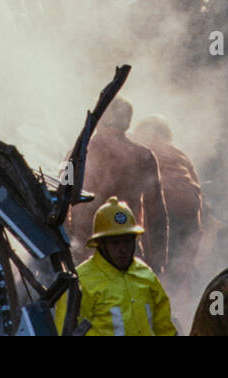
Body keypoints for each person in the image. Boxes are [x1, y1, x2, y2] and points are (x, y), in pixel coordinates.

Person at [69, 97, 169, 273]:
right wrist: (159, 261)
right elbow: (156, 214)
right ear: (128, 124)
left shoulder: (75, 155)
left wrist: (67, 252)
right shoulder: (143, 157)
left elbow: (59, 200)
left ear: (98, 121)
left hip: (84, 254)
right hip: (127, 252)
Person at [55, 197, 178, 336]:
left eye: (127, 242)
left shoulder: (145, 275)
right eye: (115, 243)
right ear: (101, 244)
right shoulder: (81, 283)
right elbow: (63, 332)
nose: (123, 249)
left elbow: (164, 329)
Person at [131, 116, 203, 277]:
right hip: (186, 218)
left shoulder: (142, 150)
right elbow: (197, 200)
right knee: (177, 269)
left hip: (160, 215)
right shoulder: (181, 157)